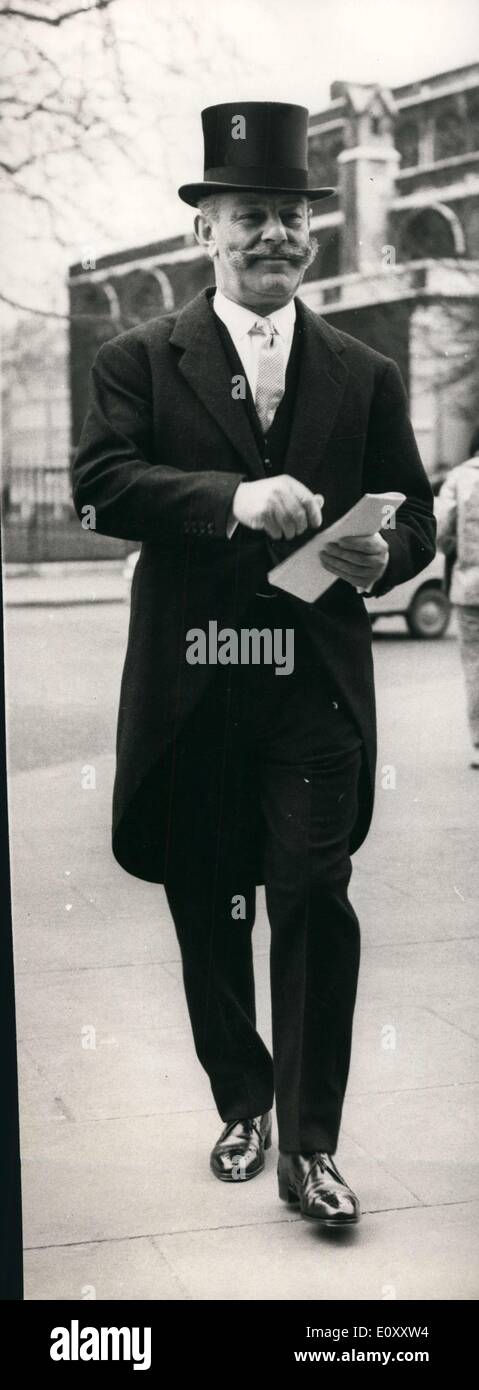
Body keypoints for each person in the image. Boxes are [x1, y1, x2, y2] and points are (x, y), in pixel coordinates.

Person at [72, 102, 436, 1228]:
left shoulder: (365, 373)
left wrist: (384, 554)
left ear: (309, 233)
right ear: (204, 233)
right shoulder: (137, 357)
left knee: (311, 896)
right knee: (208, 905)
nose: (272, 235)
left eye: (288, 216)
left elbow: (414, 521)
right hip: (192, 685)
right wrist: (227, 499)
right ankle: (241, 1099)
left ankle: (310, 1148)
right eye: (248, 218)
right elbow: (101, 485)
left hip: (311, 690)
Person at [436, 428, 479, 768]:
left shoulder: (459, 479)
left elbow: (441, 532)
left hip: (469, 587)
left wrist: (458, 551)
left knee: (475, 667)